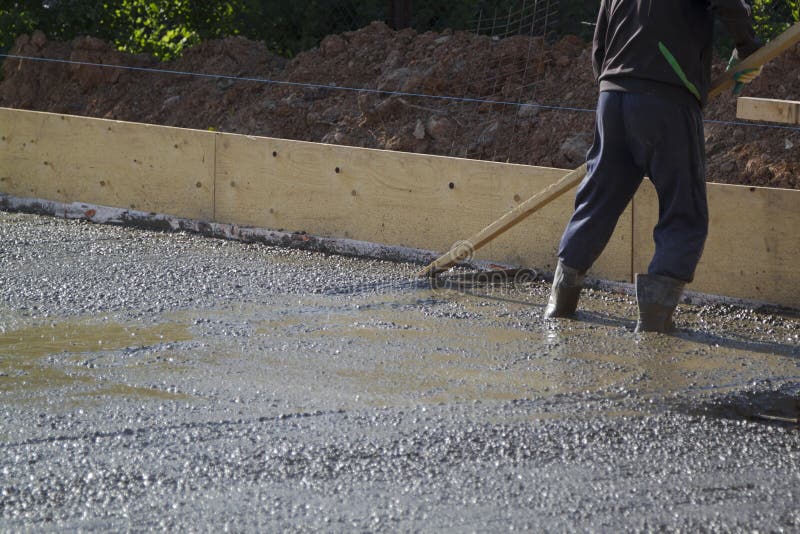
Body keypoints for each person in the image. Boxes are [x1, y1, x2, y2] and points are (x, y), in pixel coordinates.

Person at [544, 0, 762, 332]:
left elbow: (599, 46)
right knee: (682, 207)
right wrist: (748, 51)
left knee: (598, 198)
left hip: (612, 96)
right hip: (667, 98)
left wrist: (616, 88)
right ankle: (654, 318)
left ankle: (560, 303)